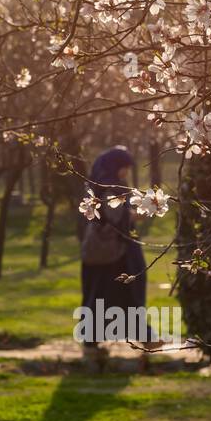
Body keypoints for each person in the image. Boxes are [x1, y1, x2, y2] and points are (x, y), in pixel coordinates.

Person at [76, 146, 154, 360]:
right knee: (125, 294)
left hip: (101, 255)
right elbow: (114, 218)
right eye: (124, 169)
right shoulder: (111, 189)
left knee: (100, 297)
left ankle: (92, 342)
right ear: (115, 167)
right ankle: (146, 338)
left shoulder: (97, 186)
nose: (125, 173)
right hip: (117, 255)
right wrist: (135, 216)